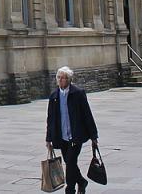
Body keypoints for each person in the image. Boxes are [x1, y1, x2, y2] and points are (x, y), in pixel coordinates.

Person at [46, 66, 98, 194]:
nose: (61, 80)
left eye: (64, 78)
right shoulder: (54, 96)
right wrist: (48, 139)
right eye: (59, 78)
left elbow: (87, 114)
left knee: (70, 163)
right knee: (70, 163)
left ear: (69, 79)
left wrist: (93, 136)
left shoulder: (78, 93)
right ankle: (81, 181)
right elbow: (50, 119)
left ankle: (70, 190)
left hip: (75, 136)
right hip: (61, 136)